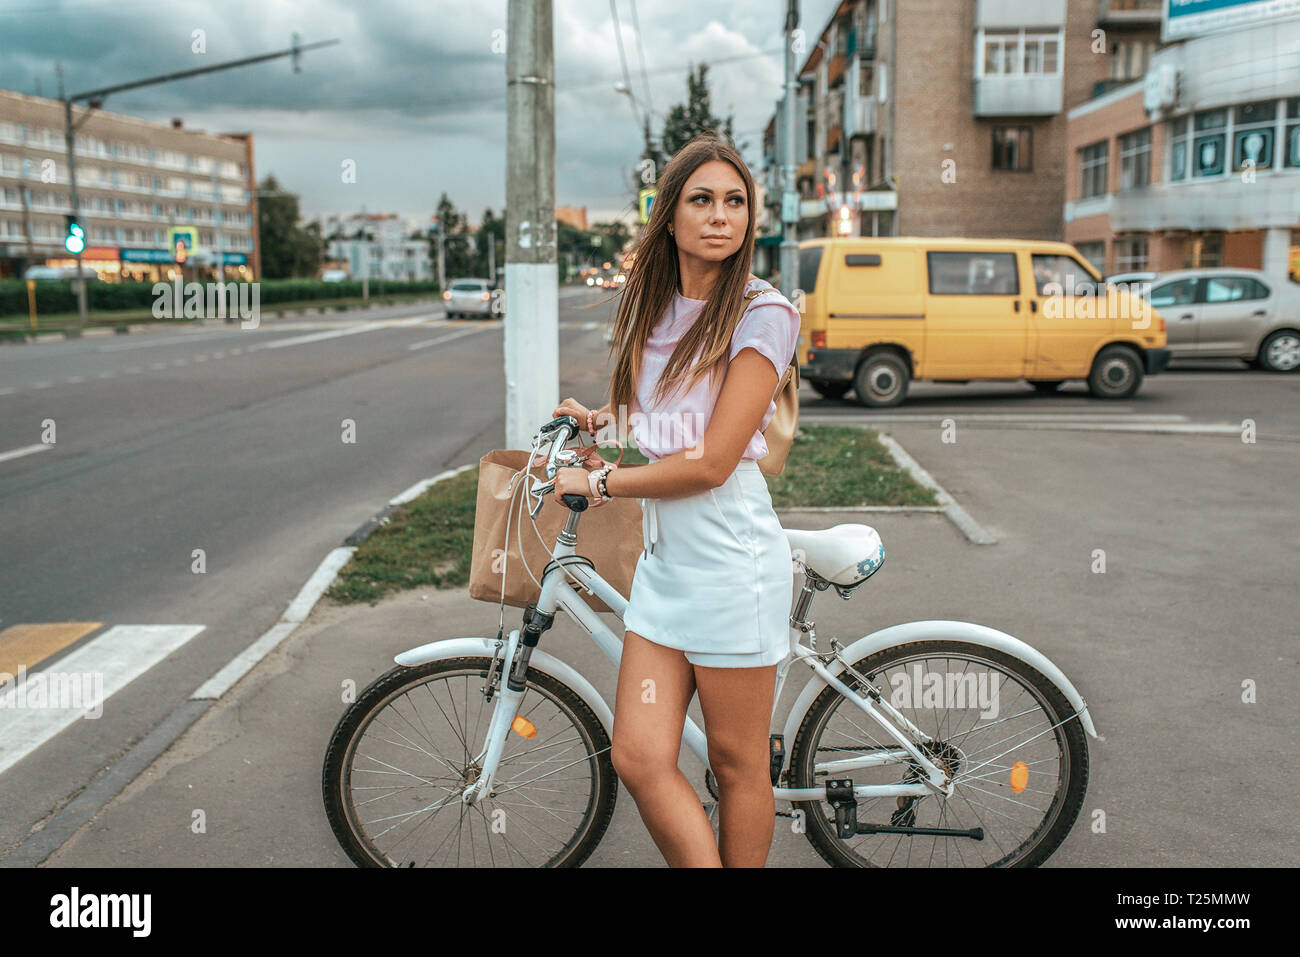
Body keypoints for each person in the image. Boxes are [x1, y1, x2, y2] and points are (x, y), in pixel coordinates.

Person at [550, 132, 801, 868]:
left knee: (735, 763)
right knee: (638, 754)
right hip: (666, 566)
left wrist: (601, 482)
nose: (720, 215)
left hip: (731, 564)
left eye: (735, 201)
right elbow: (665, 421)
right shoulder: (655, 305)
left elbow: (714, 458)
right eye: (702, 199)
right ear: (669, 214)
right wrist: (600, 420)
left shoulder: (763, 312)